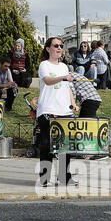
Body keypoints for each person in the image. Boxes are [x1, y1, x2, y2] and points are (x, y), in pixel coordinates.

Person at [32, 38, 76, 185]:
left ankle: (64, 176)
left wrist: (73, 103)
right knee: (47, 144)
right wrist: (63, 77)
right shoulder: (44, 65)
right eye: (56, 45)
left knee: (66, 145)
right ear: (48, 48)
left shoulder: (64, 66)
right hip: (48, 109)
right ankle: (44, 178)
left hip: (64, 110)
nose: (59, 48)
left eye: (61, 46)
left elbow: (67, 87)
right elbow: (48, 80)